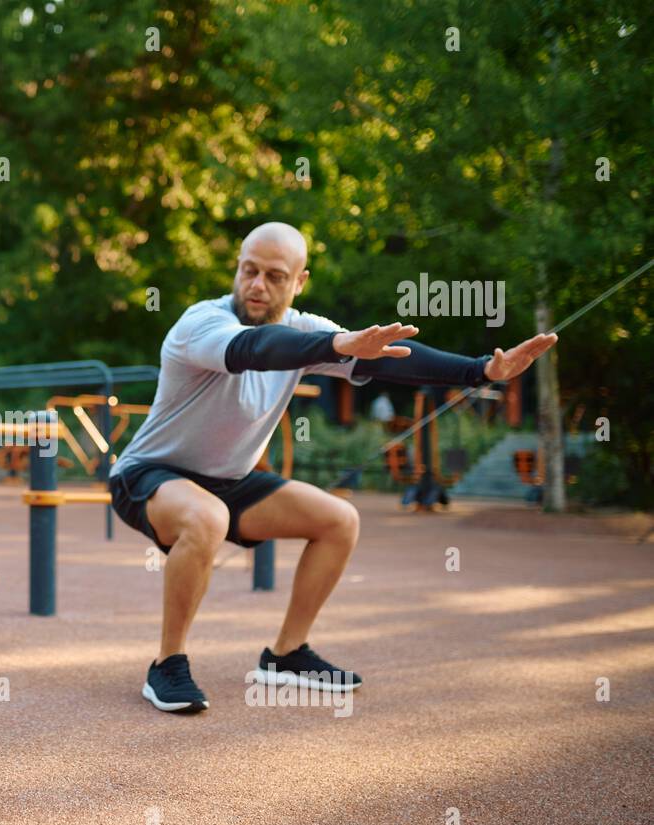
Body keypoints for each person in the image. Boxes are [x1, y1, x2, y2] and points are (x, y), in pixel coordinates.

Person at [108, 222, 557, 713]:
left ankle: (286, 655)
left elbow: (387, 359)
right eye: (248, 270)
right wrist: (335, 347)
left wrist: (481, 370)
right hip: (148, 475)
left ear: (300, 281)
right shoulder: (203, 323)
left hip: (227, 482)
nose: (257, 285)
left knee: (339, 520)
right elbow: (253, 351)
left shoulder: (305, 330)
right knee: (207, 516)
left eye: (275, 276)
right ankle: (167, 664)